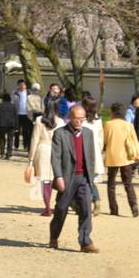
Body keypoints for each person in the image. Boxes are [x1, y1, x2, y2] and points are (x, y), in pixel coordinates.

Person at [49, 105, 99, 252]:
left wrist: (92, 176)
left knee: (86, 210)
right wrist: (58, 176)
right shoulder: (60, 133)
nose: (79, 121)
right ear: (70, 118)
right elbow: (56, 157)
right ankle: (54, 236)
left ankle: (85, 242)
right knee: (61, 209)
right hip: (67, 177)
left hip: (83, 177)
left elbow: (90, 156)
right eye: (76, 118)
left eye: (81, 118)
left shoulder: (88, 133)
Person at [104, 101, 139, 217]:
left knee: (111, 184)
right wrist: (138, 156)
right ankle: (133, 205)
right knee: (128, 183)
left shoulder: (108, 124)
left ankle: (113, 209)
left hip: (112, 157)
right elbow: (135, 141)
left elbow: (104, 141)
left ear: (112, 112)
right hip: (126, 157)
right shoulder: (128, 125)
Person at [27, 102, 60, 216]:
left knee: (45, 181)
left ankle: (47, 207)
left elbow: (34, 139)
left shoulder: (39, 120)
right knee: (56, 178)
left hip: (42, 150)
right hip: (56, 151)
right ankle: (58, 205)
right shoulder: (60, 122)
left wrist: (31, 157)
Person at [83, 100, 105, 214]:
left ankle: (91, 201)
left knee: (84, 180)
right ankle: (95, 200)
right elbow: (101, 139)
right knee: (90, 180)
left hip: (84, 152)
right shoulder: (98, 121)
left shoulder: (82, 121)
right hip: (96, 152)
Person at [12, 80, 34, 152]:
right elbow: (12, 103)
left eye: (23, 85)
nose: (21, 86)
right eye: (20, 85)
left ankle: (26, 145)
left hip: (27, 114)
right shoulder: (14, 93)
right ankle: (16, 145)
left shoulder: (29, 93)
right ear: (18, 85)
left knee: (26, 131)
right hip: (17, 114)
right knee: (16, 131)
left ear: (26, 86)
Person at [0, 92, 17, 159]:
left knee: (2, 139)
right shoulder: (13, 106)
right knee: (10, 140)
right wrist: (16, 125)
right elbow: (16, 116)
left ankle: (2, 153)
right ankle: (9, 154)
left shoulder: (0, 105)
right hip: (11, 124)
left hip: (2, 124)